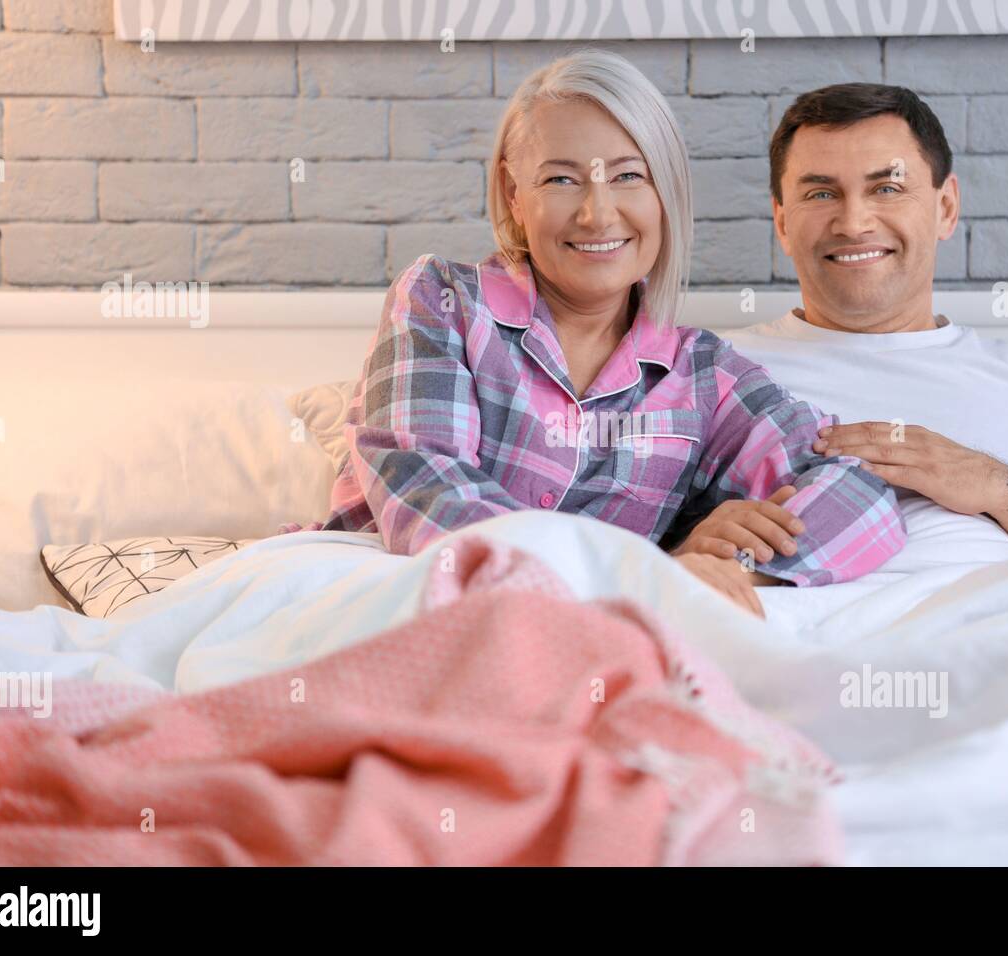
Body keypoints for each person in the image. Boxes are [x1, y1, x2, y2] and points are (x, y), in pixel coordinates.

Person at [287, 52, 905, 617]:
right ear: (513, 193)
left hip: (578, 652)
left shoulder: (705, 378)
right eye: (561, 179)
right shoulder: (442, 303)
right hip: (386, 609)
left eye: (629, 176)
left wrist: (719, 567)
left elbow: (860, 497)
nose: (598, 213)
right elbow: (430, 495)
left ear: (665, 194)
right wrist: (638, 576)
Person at [674, 82, 1008, 628]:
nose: (854, 221)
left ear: (946, 207)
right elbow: (599, 563)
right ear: (783, 222)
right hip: (781, 664)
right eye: (820, 193)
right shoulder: (702, 369)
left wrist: (1002, 489)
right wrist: (683, 556)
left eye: (887, 188)